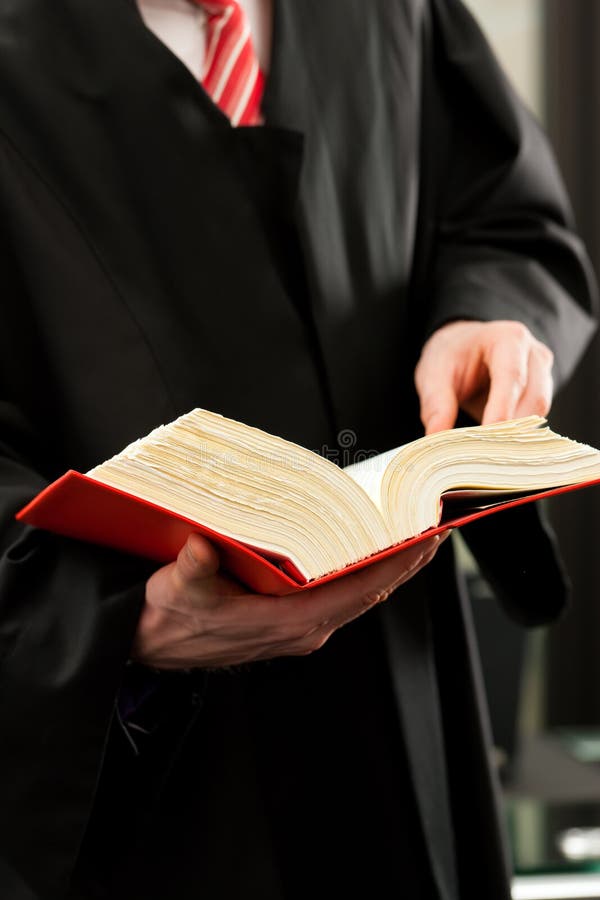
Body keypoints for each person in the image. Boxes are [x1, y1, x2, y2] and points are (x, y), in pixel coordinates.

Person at [0, 0, 596, 898]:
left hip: (402, 692)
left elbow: (503, 218)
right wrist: (96, 617)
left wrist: (484, 314)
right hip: (142, 766)